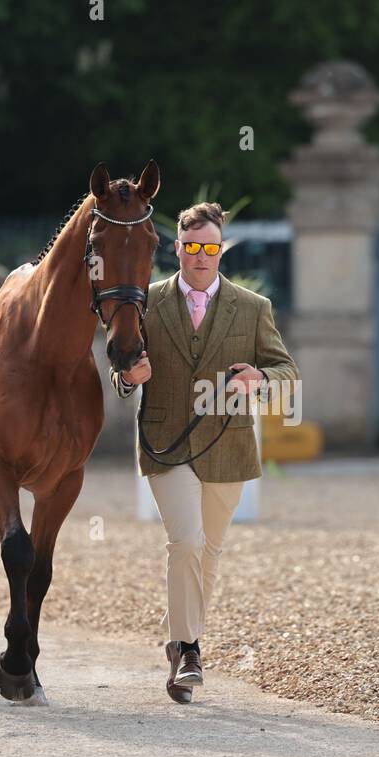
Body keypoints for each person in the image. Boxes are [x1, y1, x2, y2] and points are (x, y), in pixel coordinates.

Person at [109, 201, 300, 704]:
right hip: (165, 445)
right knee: (186, 543)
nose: (200, 257)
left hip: (227, 447)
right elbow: (120, 366)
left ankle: (176, 640)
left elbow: (288, 372)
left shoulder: (253, 308)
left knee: (208, 555)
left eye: (210, 248)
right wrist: (129, 376)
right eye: (191, 248)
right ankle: (191, 650)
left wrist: (259, 378)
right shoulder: (146, 302)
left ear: (221, 250)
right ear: (178, 248)